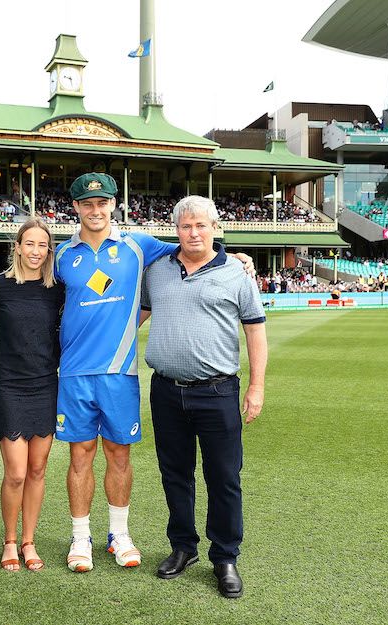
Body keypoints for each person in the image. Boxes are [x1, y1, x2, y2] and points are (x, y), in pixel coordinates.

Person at [53, 173, 253, 573]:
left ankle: (119, 535)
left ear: (113, 205)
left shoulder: (138, 244)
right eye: (87, 204)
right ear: (75, 207)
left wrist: (234, 254)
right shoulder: (61, 256)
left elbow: (194, 244)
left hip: (120, 372)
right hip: (73, 373)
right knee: (79, 457)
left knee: (119, 455)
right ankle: (80, 538)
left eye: (103, 203)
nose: (96, 210)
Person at [140, 195, 267, 599]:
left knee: (224, 478)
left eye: (201, 225)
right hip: (165, 390)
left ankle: (225, 557)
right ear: (175, 229)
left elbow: (255, 331)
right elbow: (136, 315)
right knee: (175, 474)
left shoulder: (236, 273)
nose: (193, 233)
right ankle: (183, 547)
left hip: (217, 391)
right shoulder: (157, 270)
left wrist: (256, 386)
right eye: (185, 226)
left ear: (216, 228)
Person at [0, 218, 64, 572]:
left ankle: (29, 541)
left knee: (37, 468)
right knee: (16, 472)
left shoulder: (57, 290)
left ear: (49, 251)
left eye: (42, 246)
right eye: (29, 243)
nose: (36, 251)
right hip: (8, 387)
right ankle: (9, 540)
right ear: (16, 246)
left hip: (46, 385)